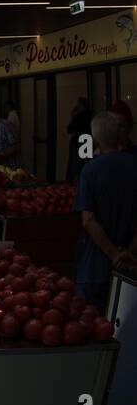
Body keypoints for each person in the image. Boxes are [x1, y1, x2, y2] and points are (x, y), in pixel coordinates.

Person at [74, 112, 137, 307]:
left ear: (95, 139)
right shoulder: (134, 165)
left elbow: (88, 220)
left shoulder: (90, 170)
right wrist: (128, 253)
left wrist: (113, 254)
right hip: (132, 266)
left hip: (95, 269)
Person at [65, 97, 93, 182]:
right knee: (86, 164)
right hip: (88, 141)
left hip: (79, 142)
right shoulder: (91, 115)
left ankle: (76, 184)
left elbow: (69, 129)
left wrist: (73, 115)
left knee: (77, 166)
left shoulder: (79, 116)